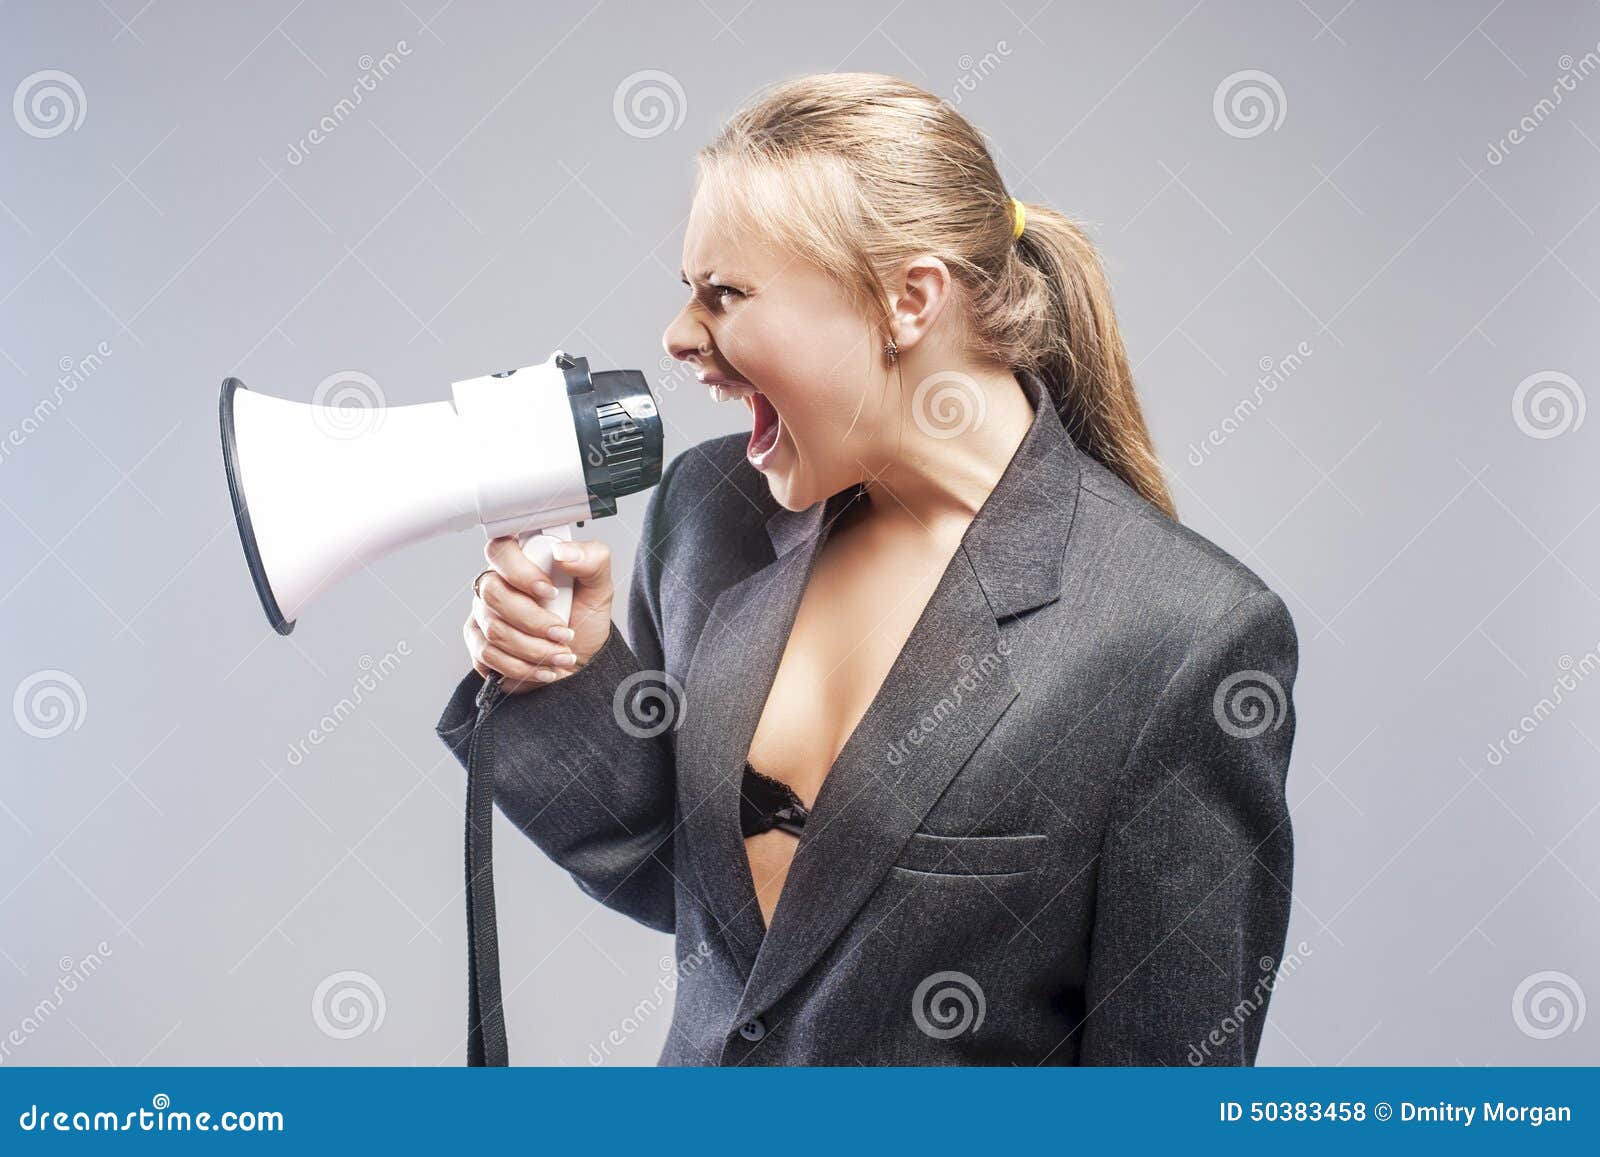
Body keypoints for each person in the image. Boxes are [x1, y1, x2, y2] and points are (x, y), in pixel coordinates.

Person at [438, 72, 1299, 1065]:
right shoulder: (707, 513)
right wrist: (567, 672)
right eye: (688, 291)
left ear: (908, 298)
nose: (678, 339)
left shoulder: (1182, 637)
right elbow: (730, 913)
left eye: (724, 293)